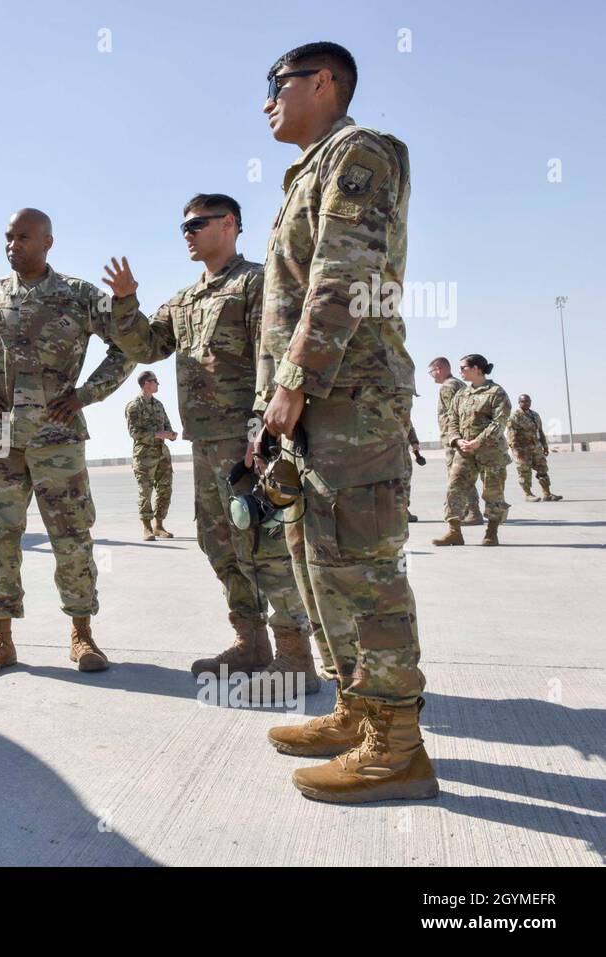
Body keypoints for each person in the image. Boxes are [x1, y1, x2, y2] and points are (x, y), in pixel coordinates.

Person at [249, 41, 437, 802]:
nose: (266, 101)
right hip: (315, 407)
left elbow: (344, 274)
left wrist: (293, 383)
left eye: (276, 84)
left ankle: (396, 745)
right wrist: (273, 406)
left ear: (322, 82)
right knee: (320, 563)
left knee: (366, 568)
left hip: (350, 400)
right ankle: (357, 709)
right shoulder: (309, 172)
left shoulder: (359, 154)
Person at [102, 192, 320, 700]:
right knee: (218, 541)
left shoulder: (255, 283)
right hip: (205, 444)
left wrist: (259, 433)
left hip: (251, 442)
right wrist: (126, 301)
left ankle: (295, 657)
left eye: (197, 224)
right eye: (183, 227)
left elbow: (274, 356)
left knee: (266, 545)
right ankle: (251, 643)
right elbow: (146, 346)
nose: (188, 233)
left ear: (230, 224)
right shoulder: (184, 299)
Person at [0, 208, 135, 677]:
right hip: (3, 439)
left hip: (58, 436)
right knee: (0, 535)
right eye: (8, 237)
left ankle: (82, 636)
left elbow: (126, 345)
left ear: (48, 241)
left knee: (71, 537)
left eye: (23, 237)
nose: (13, 245)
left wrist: (85, 395)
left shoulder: (78, 295)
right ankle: (1, 639)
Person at [435, 354, 512, 546]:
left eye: (463, 368)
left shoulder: (496, 393)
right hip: (464, 451)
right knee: (454, 488)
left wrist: (479, 441)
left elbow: (499, 422)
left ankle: (491, 533)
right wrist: (457, 440)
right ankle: (454, 532)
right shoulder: (461, 394)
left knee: (493, 492)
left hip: (491, 452)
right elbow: (452, 419)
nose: (460, 372)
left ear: (477, 368)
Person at [427, 357, 483, 525]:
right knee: (465, 474)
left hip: (455, 439)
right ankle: (469, 511)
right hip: (463, 437)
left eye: (432, 372)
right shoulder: (459, 384)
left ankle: (472, 512)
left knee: (459, 476)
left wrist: (454, 438)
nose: (432, 376)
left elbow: (454, 415)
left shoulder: (447, 386)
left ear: (439, 369)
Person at [125, 371, 176, 540]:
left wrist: (171, 434)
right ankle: (146, 528)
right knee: (145, 492)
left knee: (165, 490)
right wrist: (157, 434)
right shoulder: (134, 406)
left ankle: (159, 525)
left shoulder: (159, 405)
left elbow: (167, 425)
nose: (158, 385)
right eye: (156, 382)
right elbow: (134, 432)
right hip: (144, 456)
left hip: (162, 454)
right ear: (147, 383)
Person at [507, 393, 562, 502]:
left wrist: (545, 446)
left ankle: (547, 494)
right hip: (522, 450)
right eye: (523, 401)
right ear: (519, 403)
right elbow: (511, 435)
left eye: (528, 401)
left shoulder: (535, 415)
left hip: (536, 448)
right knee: (524, 473)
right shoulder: (515, 416)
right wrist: (516, 450)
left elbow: (540, 432)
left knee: (543, 470)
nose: (526, 403)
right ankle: (528, 494)